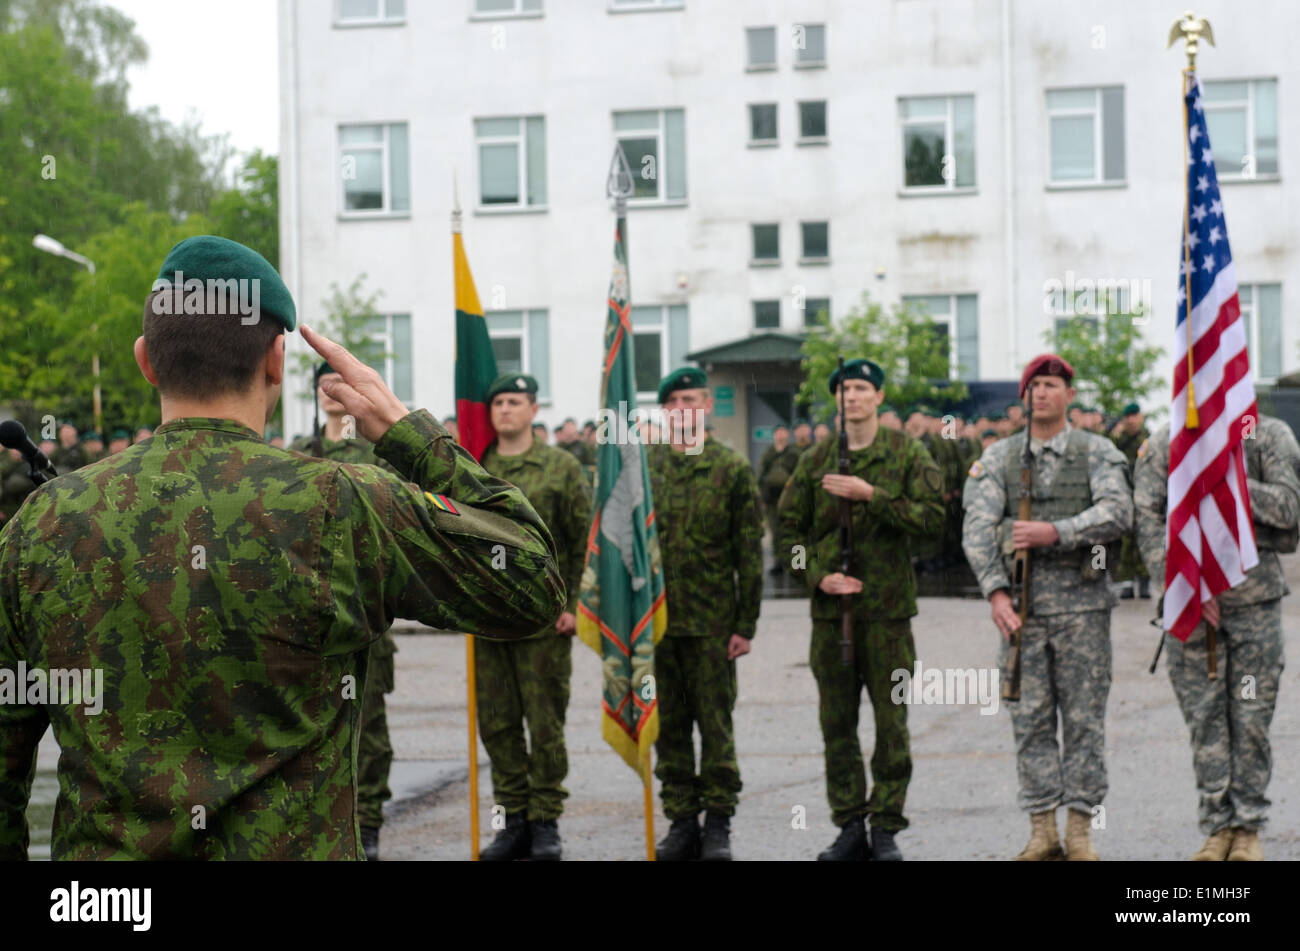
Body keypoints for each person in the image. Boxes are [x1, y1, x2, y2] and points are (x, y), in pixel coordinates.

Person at [0, 235, 564, 861]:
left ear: (146, 362)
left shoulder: (40, 525)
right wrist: (412, 436)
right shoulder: (342, 504)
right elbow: (532, 583)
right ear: (276, 360)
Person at [961, 353, 1132, 861]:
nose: (1042, 392)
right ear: (1024, 395)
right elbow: (976, 528)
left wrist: (1057, 532)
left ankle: (1080, 831)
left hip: (1083, 609)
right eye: (1034, 385)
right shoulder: (999, 459)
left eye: (1053, 384)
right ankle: (1042, 830)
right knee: (1030, 720)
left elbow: (1118, 511)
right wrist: (994, 590)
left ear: (1069, 395)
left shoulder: (1096, 452)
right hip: (1022, 611)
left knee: (1083, 721)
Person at [779, 358, 943, 861]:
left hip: (888, 614)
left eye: (861, 388)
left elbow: (934, 520)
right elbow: (790, 535)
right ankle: (849, 825)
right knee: (837, 725)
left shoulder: (907, 453)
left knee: (892, 723)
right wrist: (815, 576)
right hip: (833, 617)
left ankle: (887, 825)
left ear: (878, 396)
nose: (852, 397)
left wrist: (873, 496)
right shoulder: (816, 459)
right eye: (845, 389)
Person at [1133, 416, 1300, 861]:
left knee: (1250, 719)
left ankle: (1247, 827)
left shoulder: (1267, 434)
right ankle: (1217, 826)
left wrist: (1229, 477)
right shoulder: (1166, 443)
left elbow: (1288, 509)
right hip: (1190, 604)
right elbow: (1147, 518)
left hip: (1253, 603)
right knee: (1204, 720)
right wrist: (1179, 585)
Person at [474, 374, 592, 862]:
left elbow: (584, 539)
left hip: (546, 621)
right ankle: (512, 820)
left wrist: (576, 608)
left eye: (514, 401)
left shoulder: (562, 466)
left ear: (533, 408)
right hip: (490, 619)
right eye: (498, 402)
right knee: (498, 725)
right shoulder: (475, 466)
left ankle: (545, 821)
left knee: (544, 725)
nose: (505, 410)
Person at [646, 367, 762, 861]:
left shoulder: (731, 468)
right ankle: (680, 820)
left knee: (715, 725)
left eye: (693, 399)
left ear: (707, 407)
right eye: (675, 401)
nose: (685, 408)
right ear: (666, 411)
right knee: (668, 726)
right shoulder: (645, 468)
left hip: (713, 623)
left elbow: (749, 553)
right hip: (657, 624)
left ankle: (718, 822)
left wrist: (745, 624)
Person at [288, 360, 403, 861]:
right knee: (305, 726)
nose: (331, 391)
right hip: (307, 620)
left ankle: (369, 822)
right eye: (324, 383)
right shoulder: (296, 456)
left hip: (366, 617)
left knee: (370, 728)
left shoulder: (382, 457)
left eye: (340, 381)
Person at [1109, 402, 1151, 599]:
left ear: (1140, 417)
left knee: (1143, 536)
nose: (1131, 420)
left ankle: (1144, 580)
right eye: (1128, 417)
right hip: (1124, 494)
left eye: (1134, 416)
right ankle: (1126, 581)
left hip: (1144, 494)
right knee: (1125, 539)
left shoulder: (1149, 439)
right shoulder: (1117, 440)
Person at [758, 424, 801, 575]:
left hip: (791, 498)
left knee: (795, 531)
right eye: (777, 433)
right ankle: (778, 562)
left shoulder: (794, 453)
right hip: (772, 499)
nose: (780, 435)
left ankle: (798, 563)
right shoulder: (769, 453)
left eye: (783, 432)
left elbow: (800, 474)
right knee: (776, 532)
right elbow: (762, 474)